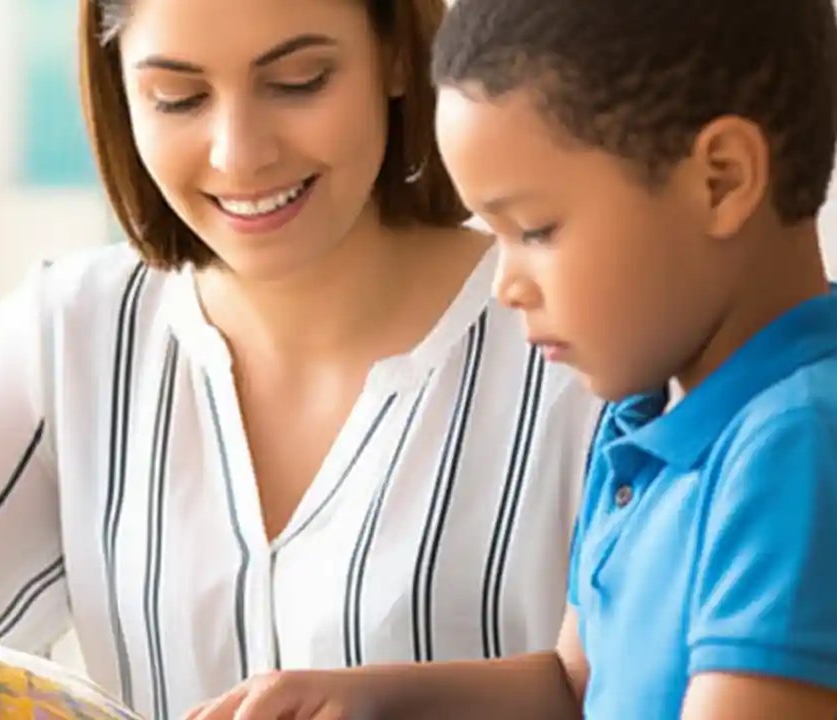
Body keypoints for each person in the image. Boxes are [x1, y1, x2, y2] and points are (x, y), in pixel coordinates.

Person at [0, 0, 601, 717]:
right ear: (119, 89)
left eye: (298, 80)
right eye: (178, 97)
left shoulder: (574, 331)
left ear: (397, 57)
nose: (238, 153)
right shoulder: (75, 334)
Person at [185, 0, 837, 718]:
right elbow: (572, 685)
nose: (506, 285)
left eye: (535, 229)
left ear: (721, 180)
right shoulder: (647, 415)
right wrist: (355, 695)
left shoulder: (797, 447)